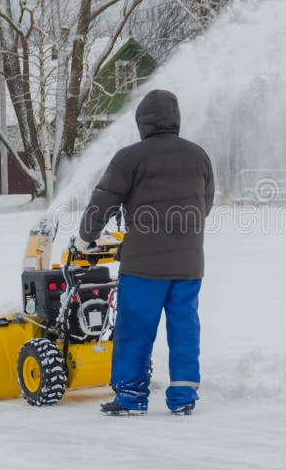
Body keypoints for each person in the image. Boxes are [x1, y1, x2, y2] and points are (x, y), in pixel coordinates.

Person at [76, 89, 214, 416]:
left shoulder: (130, 157)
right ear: (175, 120)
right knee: (184, 327)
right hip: (189, 263)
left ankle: (131, 396)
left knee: (135, 328)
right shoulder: (199, 156)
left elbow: (103, 202)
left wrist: (85, 238)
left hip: (143, 266)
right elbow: (204, 205)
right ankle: (183, 396)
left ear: (142, 122)